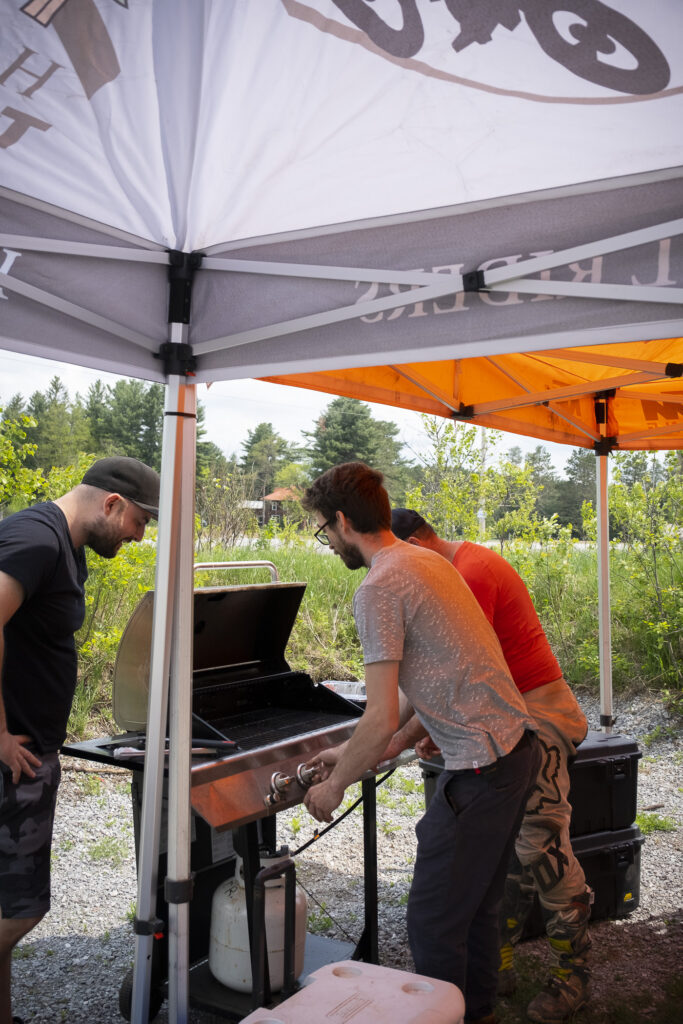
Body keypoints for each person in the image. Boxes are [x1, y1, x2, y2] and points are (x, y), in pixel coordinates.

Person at [301, 462, 541, 1024]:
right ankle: (476, 1014)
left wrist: (336, 785)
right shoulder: (427, 561)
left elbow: (381, 713)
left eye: (324, 529)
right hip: (516, 752)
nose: (328, 541)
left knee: (434, 923)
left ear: (343, 521)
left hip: (480, 769)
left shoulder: (379, 586)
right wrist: (362, 751)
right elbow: (428, 678)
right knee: (475, 911)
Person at [391, 508, 592, 1024]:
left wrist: (399, 737)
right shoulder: (455, 567)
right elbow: (448, 675)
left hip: (538, 714)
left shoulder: (470, 574)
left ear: (417, 544)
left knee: (542, 844)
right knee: (498, 846)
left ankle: (574, 975)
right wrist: (420, 730)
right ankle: (494, 964)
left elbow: (458, 670)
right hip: (506, 716)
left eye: (401, 560)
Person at [0, 455, 160, 1024]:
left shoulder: (63, 546)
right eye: (140, 521)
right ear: (112, 503)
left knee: (8, 902)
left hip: (30, 751)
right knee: (20, 912)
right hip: (13, 758)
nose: (139, 536)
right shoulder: (37, 539)